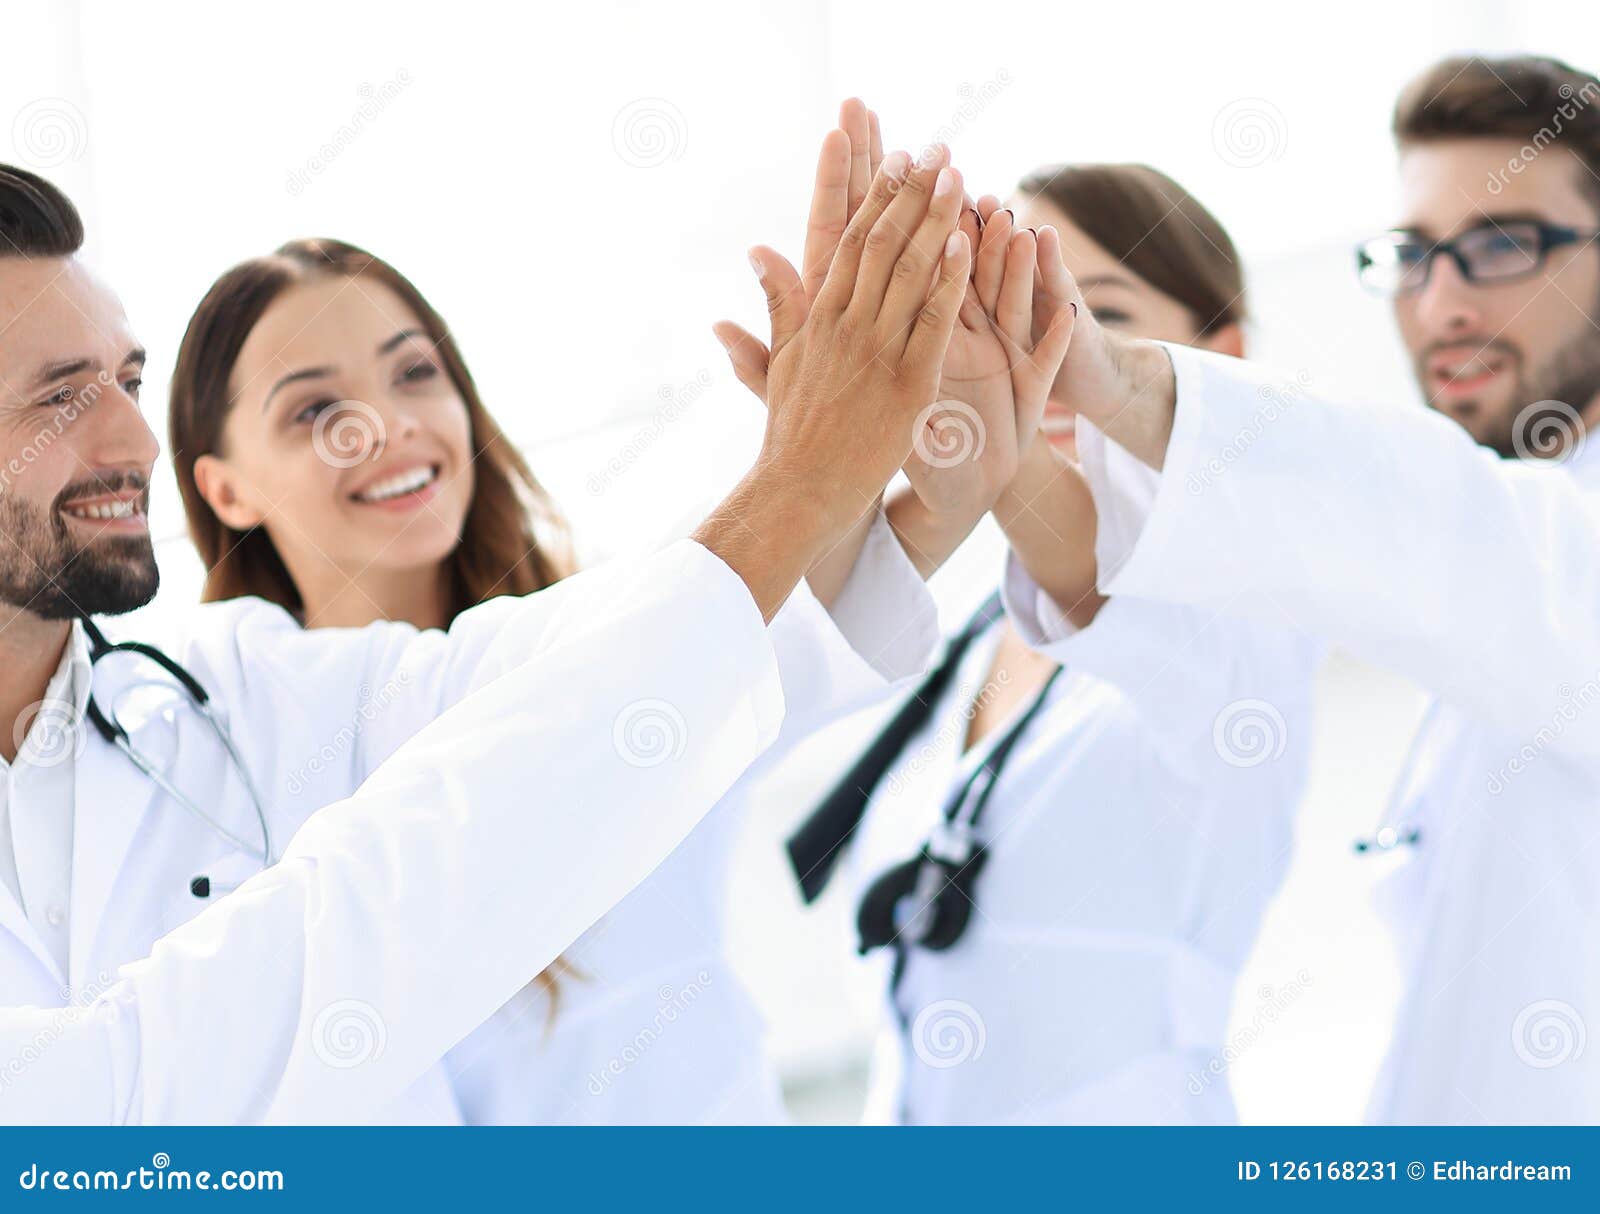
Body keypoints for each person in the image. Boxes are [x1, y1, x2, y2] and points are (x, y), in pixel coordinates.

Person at [0, 133, 1010, 1122]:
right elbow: (117, 1094)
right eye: (57, 398)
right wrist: (804, 481)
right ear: (226, 485)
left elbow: (583, 684)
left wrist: (888, 491)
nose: (133, 439)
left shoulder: (249, 687)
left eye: (129, 384)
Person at [1014, 54, 1600, 1123]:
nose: (1442, 302)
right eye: (1413, 256)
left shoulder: (1541, 550)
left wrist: (1120, 379)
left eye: (1502, 245)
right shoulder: (1517, 551)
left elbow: (1443, 526)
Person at [768, 161, 1318, 1123]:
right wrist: (817, 431)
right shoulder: (979, 624)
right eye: (998, 308)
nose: (1037, 347)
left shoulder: (1251, 610)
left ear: (1215, 353)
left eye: (1087, 308)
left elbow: (1102, 578)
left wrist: (994, 441)